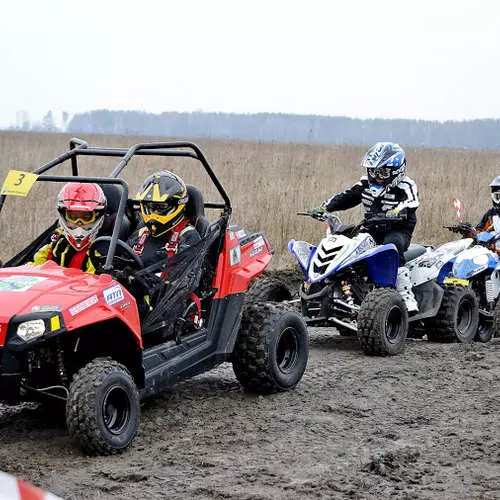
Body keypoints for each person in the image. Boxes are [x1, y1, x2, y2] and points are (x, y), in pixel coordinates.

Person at [312, 142, 420, 312]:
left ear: (396, 171)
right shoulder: (364, 184)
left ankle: (405, 294)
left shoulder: (406, 185)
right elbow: (346, 197)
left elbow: (411, 203)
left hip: (398, 228)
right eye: (373, 171)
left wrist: (395, 212)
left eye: (382, 172)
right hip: (372, 227)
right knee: (351, 245)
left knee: (391, 246)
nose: (377, 176)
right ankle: (349, 288)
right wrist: (325, 207)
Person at [129, 170, 202, 331]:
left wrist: (144, 281)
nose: (153, 214)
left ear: (177, 206)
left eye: (160, 207)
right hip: (135, 300)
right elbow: (123, 257)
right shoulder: (141, 233)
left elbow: (185, 281)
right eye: (149, 207)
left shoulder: (189, 236)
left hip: (163, 309)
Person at [32, 182, 107, 273]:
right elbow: (33, 268)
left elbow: (94, 283)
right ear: (64, 216)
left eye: (86, 217)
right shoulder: (56, 241)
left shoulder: (100, 249)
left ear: (96, 217)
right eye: (73, 217)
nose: (79, 223)